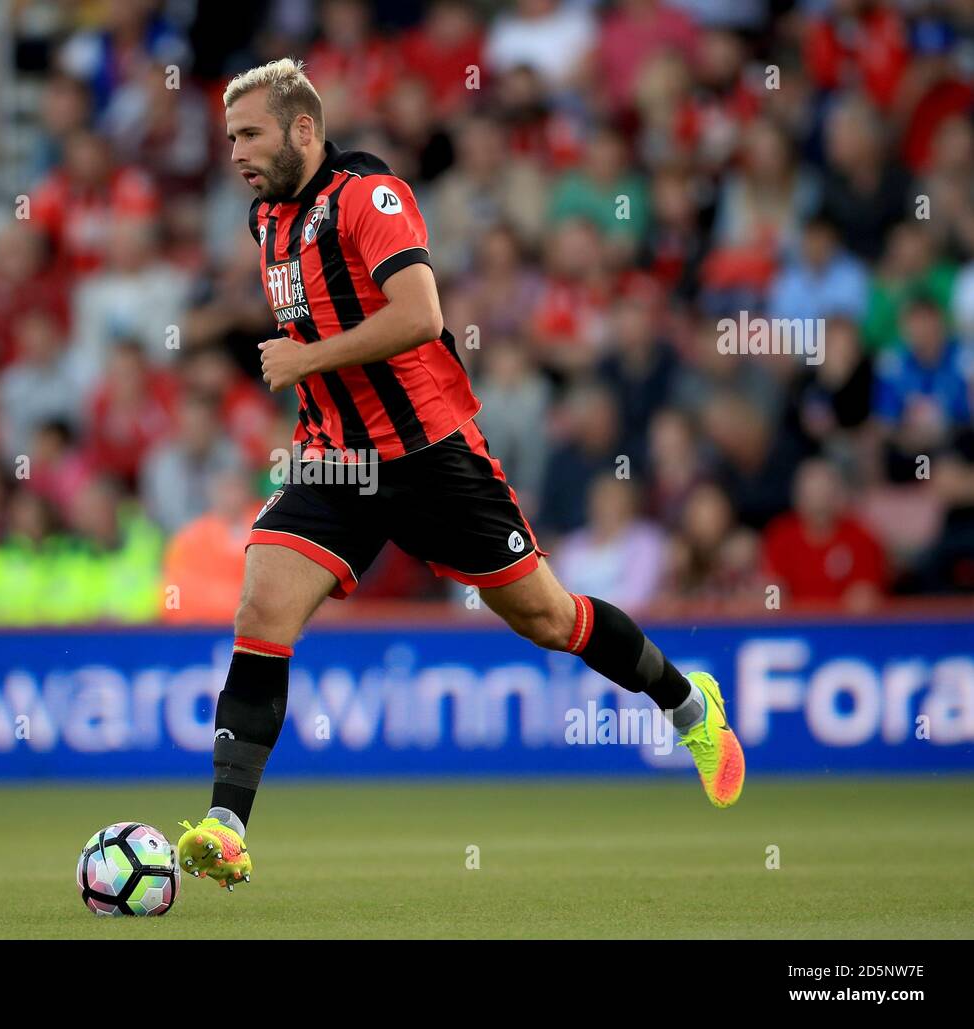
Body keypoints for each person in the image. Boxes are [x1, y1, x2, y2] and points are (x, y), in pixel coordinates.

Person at [174, 59, 747, 892]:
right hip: (338, 459)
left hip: (434, 456)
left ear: (305, 130)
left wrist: (307, 358)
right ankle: (225, 826)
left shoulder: (369, 196)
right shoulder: (265, 218)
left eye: (251, 134)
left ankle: (687, 703)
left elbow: (420, 316)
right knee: (261, 607)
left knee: (550, 618)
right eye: (230, 138)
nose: (236, 153)